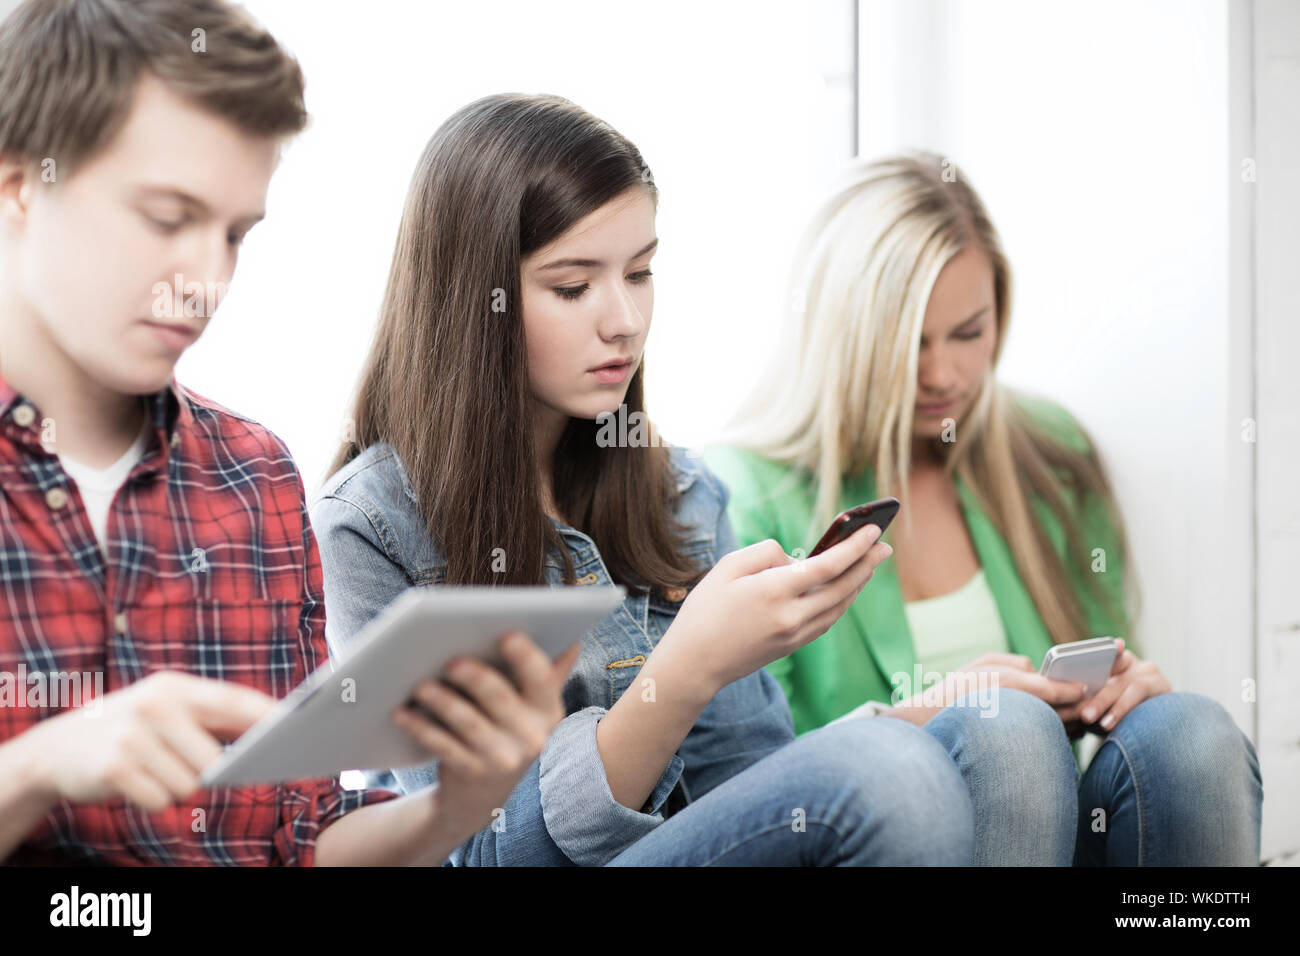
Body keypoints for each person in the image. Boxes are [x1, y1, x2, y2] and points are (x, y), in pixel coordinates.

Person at [311, 94, 976, 867]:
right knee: (892, 769)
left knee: (1004, 736)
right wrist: (686, 670)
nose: (624, 319)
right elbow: (484, 854)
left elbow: (759, 796)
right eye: (573, 287)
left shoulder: (682, 494)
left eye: (641, 272)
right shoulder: (369, 527)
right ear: (474, 299)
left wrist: (905, 717)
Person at [0, 0, 569, 866]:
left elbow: (300, 839)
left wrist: (455, 807)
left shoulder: (254, 476)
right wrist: (36, 770)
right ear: (18, 188)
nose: (206, 282)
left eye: (235, 234)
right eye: (165, 218)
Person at [705, 152, 1264, 866]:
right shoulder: (743, 495)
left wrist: (1128, 698)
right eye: (910, 345)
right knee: (1007, 731)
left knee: (1189, 730)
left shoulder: (1047, 453)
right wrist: (932, 712)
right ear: (845, 339)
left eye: (969, 333)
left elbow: (1100, 689)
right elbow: (747, 799)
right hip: (875, 840)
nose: (943, 375)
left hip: (1050, 832)